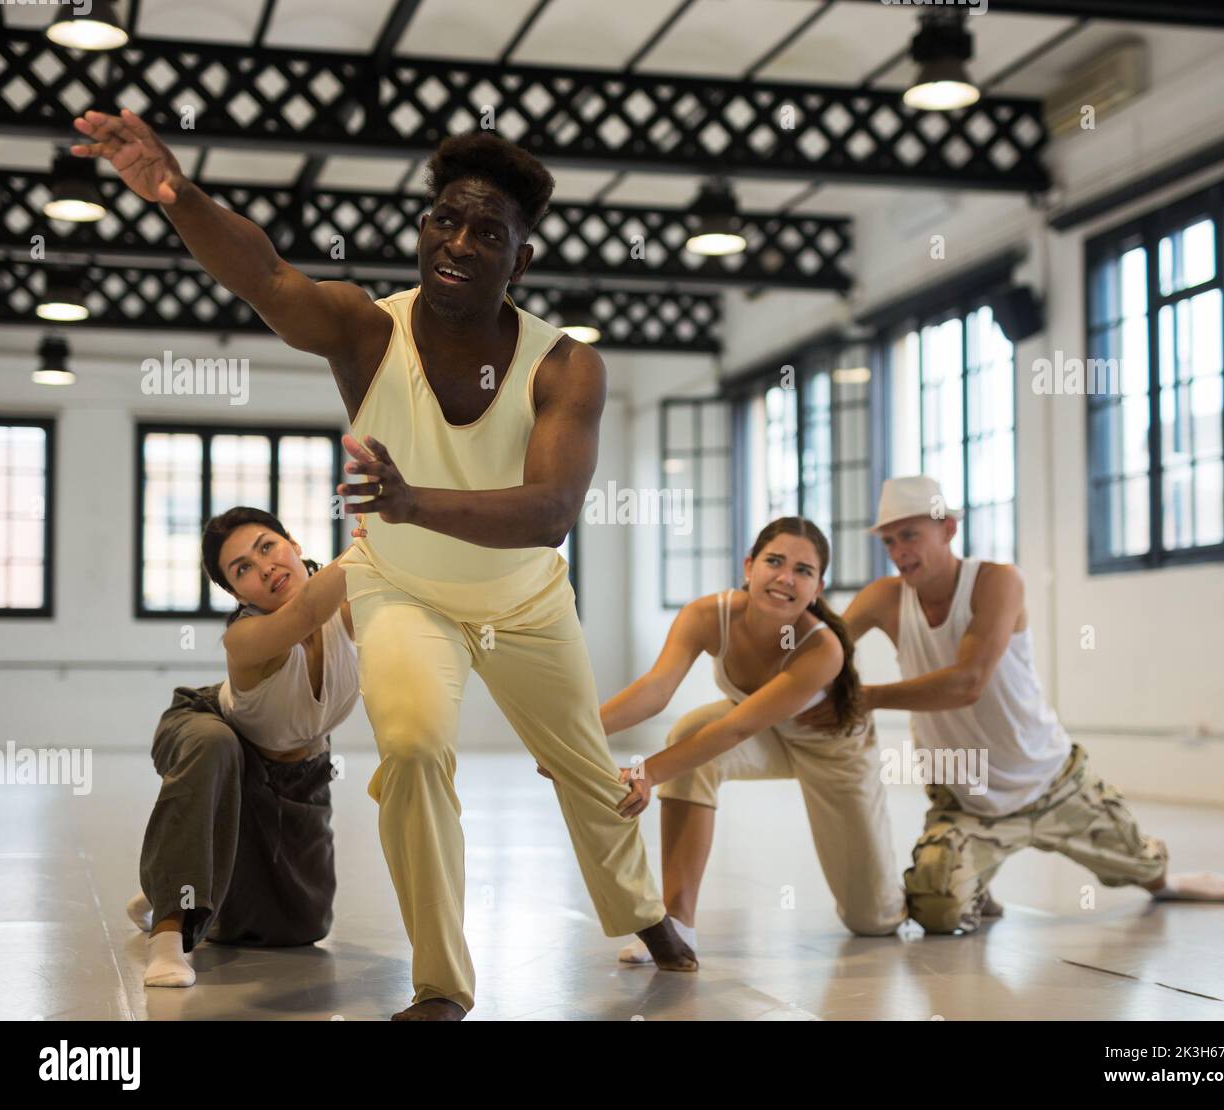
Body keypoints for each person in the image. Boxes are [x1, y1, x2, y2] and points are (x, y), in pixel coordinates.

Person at [73, 110, 692, 1020]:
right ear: (422, 228)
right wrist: (178, 195)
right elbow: (266, 274)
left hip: (525, 602)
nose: (459, 242)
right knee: (408, 751)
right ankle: (443, 984)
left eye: (489, 232)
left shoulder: (565, 366)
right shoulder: (366, 331)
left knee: (591, 771)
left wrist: (411, 503)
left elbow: (552, 514)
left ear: (518, 262)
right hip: (403, 593)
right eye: (444, 218)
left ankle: (644, 913)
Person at [800, 475, 1224, 934]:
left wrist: (863, 700)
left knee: (1145, 869)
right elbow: (822, 649)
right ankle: (974, 879)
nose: (898, 550)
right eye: (889, 540)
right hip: (967, 797)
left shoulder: (997, 582)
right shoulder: (885, 598)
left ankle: (1166, 878)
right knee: (936, 910)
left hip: (1051, 780)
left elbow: (967, 682)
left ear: (948, 529)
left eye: (910, 535)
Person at [542, 517, 906, 962]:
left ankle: (926, 890)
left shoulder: (822, 648)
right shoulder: (707, 615)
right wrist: (570, 740)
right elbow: (657, 690)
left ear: (818, 588)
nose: (785, 577)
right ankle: (678, 922)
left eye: (803, 571)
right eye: (774, 561)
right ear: (749, 566)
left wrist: (646, 772)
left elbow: (737, 728)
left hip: (833, 751)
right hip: (767, 734)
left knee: (872, 920)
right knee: (692, 732)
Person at [131, 507, 359, 987]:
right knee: (215, 745)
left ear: (294, 544)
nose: (265, 568)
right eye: (243, 570)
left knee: (300, 929)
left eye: (267, 547)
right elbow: (304, 613)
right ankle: (167, 934)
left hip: (295, 772)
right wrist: (374, 541)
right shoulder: (246, 636)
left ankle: (162, 882)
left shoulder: (351, 607)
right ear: (237, 594)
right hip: (207, 725)